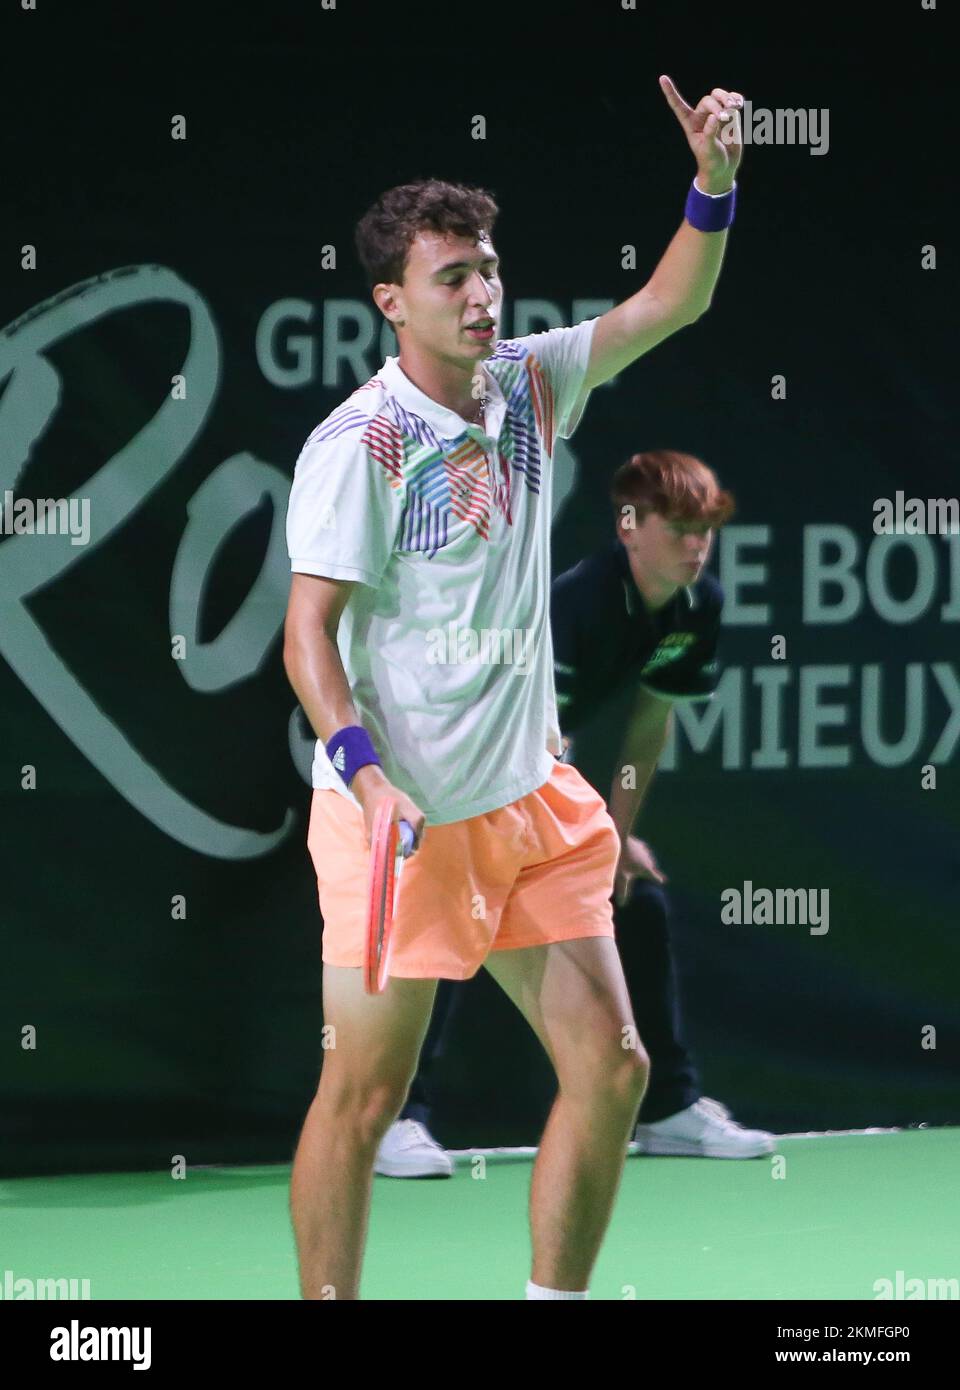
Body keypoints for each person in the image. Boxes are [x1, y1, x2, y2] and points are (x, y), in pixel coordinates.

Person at [283, 76, 746, 1300]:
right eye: (454, 278)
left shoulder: (536, 382)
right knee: (364, 1098)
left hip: (527, 797)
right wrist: (365, 774)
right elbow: (309, 638)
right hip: (400, 816)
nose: (484, 294)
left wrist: (714, 183)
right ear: (393, 302)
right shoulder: (357, 447)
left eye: (489, 269)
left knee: (613, 1067)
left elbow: (672, 299)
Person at [377, 449, 774, 1177]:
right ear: (630, 525)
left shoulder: (698, 606)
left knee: (640, 902)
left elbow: (650, 727)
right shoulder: (573, 603)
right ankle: (397, 1119)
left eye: (706, 531)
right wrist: (566, 837)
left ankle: (667, 1111)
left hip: (530, 772)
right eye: (679, 528)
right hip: (449, 767)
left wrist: (615, 840)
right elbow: (525, 729)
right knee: (455, 915)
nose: (695, 546)